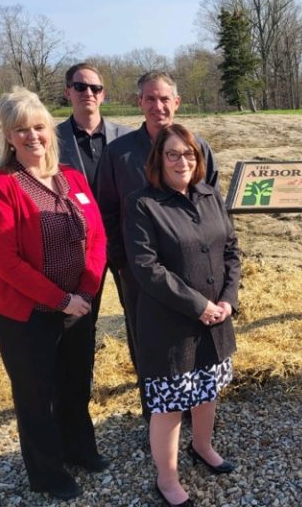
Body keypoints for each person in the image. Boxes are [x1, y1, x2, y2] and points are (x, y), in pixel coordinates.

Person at [0, 87, 108, 501]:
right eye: (21, 130)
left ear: (50, 130)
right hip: (27, 313)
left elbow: (98, 236)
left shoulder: (71, 177)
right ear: (9, 137)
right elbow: (5, 262)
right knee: (36, 395)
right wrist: (60, 299)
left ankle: (79, 448)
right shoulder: (0, 188)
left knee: (74, 383)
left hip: (78, 304)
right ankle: (47, 473)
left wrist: (86, 289)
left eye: (38, 127)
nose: (32, 136)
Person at [124, 124, 240, 507]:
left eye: (189, 154)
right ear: (158, 159)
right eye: (172, 154)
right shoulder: (144, 204)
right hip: (171, 326)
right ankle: (167, 479)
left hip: (215, 321)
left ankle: (203, 447)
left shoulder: (209, 196)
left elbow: (232, 251)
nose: (182, 161)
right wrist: (199, 306)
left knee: (207, 392)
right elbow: (147, 268)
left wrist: (226, 300)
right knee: (171, 404)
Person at [96, 71, 218, 417]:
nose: (158, 106)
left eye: (165, 98)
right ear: (139, 103)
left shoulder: (198, 147)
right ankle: (158, 413)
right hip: (141, 271)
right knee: (147, 340)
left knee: (196, 336)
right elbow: (106, 209)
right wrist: (121, 261)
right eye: (150, 98)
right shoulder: (119, 153)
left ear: (177, 103)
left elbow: (213, 204)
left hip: (193, 267)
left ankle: (198, 412)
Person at [57, 62, 133, 333]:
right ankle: (81, 376)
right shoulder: (51, 140)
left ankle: (145, 374)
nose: (87, 92)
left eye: (95, 87)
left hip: (124, 239)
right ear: (68, 92)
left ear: (102, 94)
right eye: (80, 86)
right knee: (81, 320)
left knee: (137, 312)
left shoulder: (128, 138)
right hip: (79, 244)